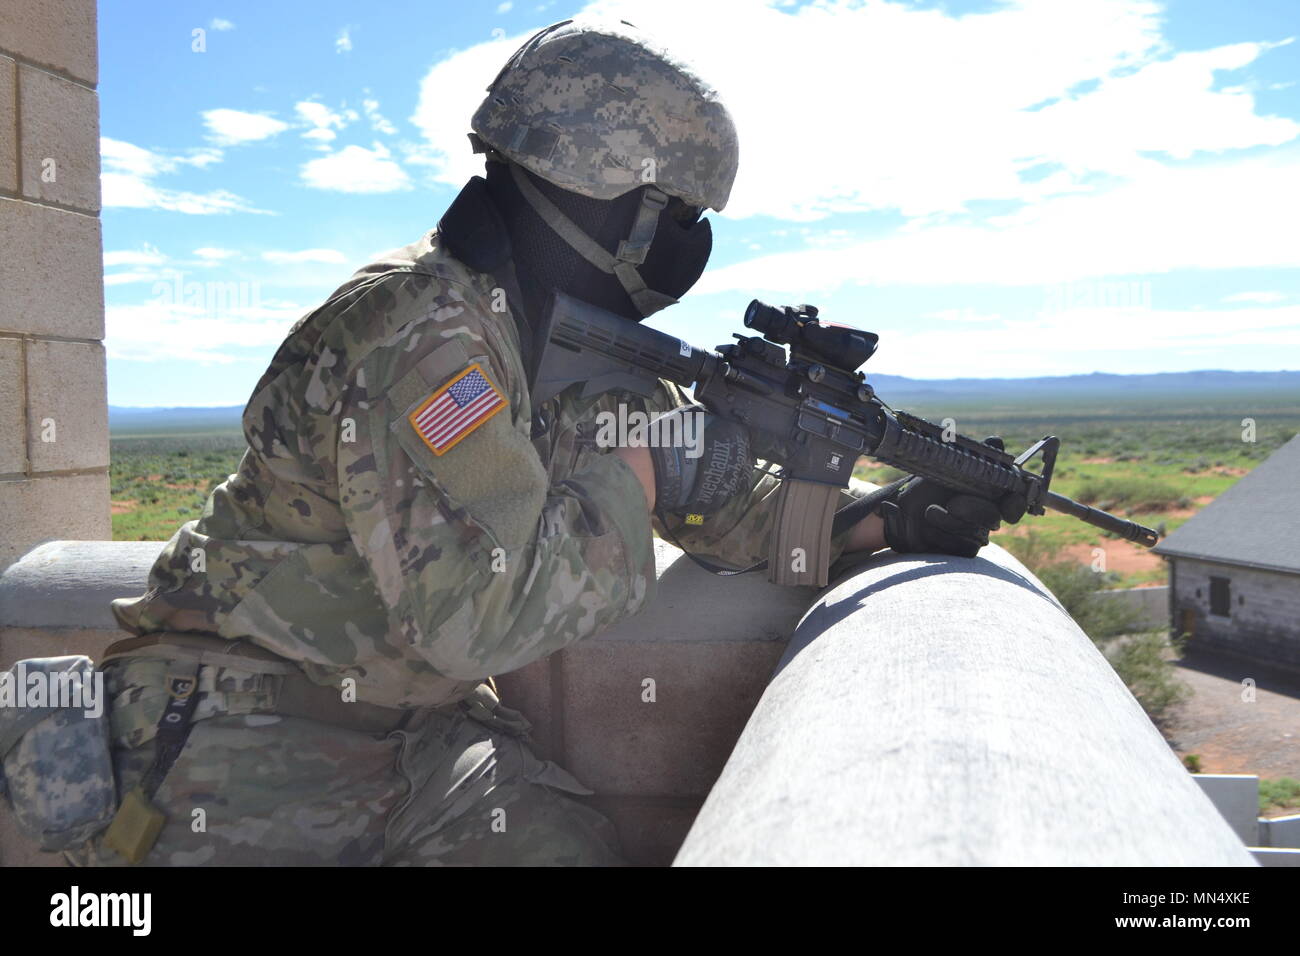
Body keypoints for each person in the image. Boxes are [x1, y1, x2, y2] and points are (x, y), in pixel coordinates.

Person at [68, 18, 1019, 867]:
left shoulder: (572, 345)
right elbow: (483, 615)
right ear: (610, 199)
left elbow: (723, 507)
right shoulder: (417, 332)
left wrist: (879, 526)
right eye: (681, 217)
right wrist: (642, 461)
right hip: (241, 724)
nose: (690, 245)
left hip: (408, 731)